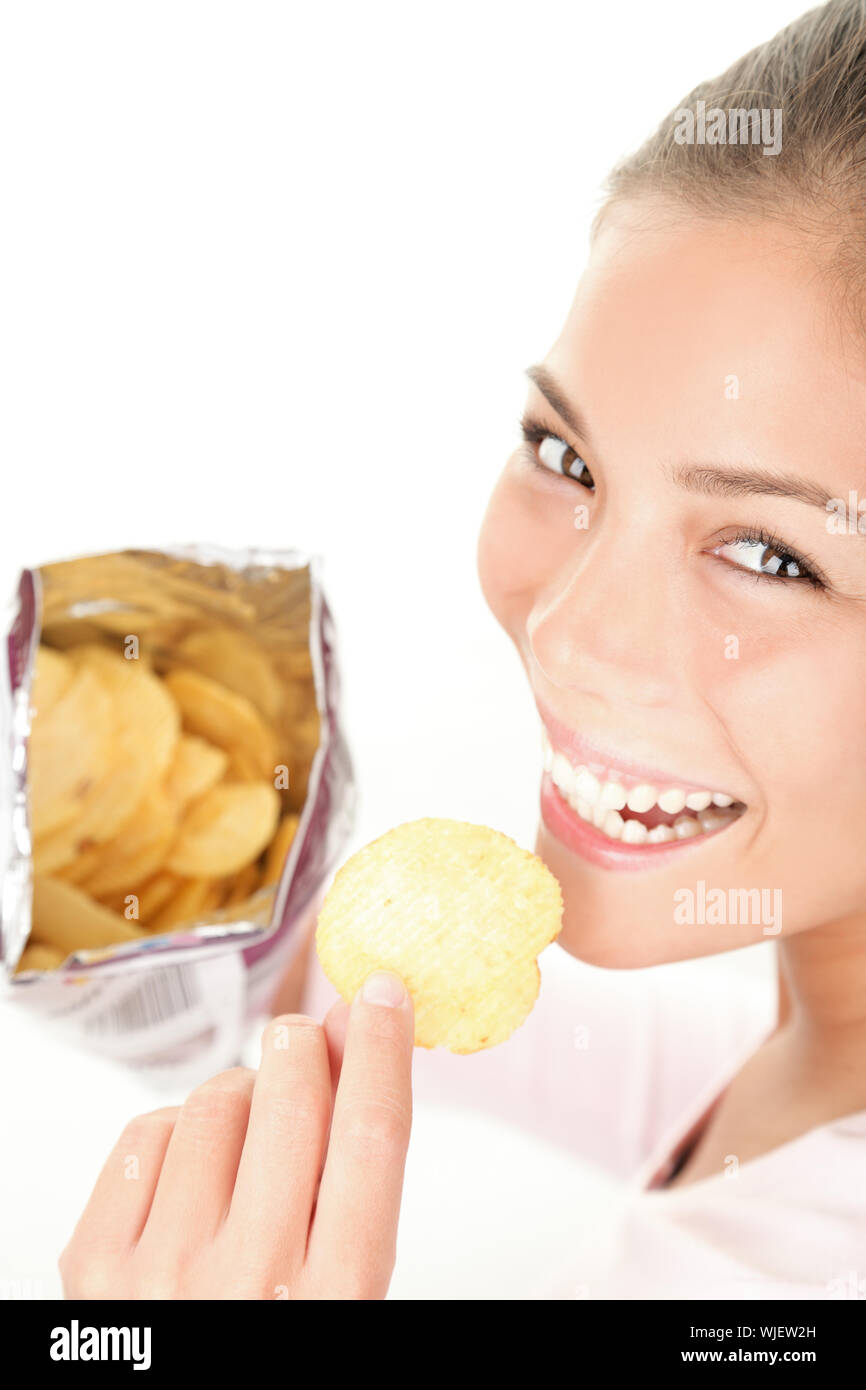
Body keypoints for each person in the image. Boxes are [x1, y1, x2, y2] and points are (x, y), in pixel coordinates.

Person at [60, 0, 866, 1299]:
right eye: (565, 455)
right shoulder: (820, 1042)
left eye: (771, 555)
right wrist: (218, 922)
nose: (568, 627)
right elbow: (664, 1077)